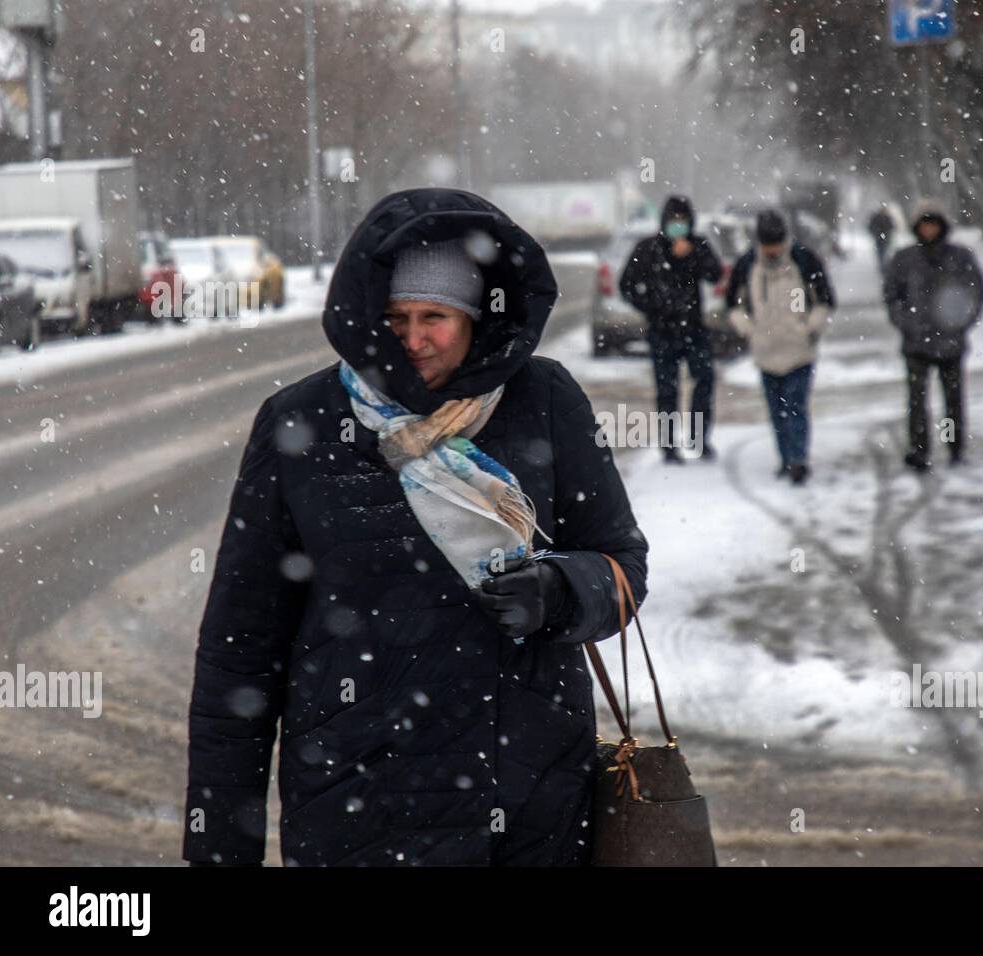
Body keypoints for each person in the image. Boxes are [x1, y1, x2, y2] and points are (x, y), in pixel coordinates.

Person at [183, 188, 649, 866]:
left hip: (527, 805)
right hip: (359, 807)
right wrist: (219, 850)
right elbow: (240, 651)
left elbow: (622, 566)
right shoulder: (302, 425)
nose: (413, 338)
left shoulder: (544, 402)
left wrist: (559, 591)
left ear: (476, 319)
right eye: (396, 317)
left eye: (436, 316)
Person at [726, 209, 835, 484]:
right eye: (767, 244)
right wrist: (749, 330)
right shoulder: (747, 264)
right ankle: (785, 459)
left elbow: (824, 300)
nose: (772, 250)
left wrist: (809, 328)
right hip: (765, 351)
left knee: (796, 406)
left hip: (799, 350)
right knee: (776, 411)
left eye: (776, 243)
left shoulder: (804, 259)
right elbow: (733, 304)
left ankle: (798, 459)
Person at [618, 194, 723, 463]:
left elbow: (715, 274)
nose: (678, 225)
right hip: (662, 331)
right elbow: (626, 285)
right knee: (666, 390)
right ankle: (668, 446)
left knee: (705, 379)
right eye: (674, 220)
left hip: (694, 329)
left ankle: (699, 439)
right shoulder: (648, 249)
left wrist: (694, 255)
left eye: (683, 220)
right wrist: (651, 306)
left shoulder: (698, 244)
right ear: (664, 221)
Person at [884, 203, 983, 471]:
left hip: (950, 343)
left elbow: (976, 292)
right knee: (917, 402)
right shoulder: (904, 259)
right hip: (915, 343)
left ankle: (954, 447)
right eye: (924, 224)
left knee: (953, 401)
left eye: (934, 223)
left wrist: (960, 322)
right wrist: (906, 322)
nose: (929, 229)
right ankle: (919, 450)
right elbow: (892, 295)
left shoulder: (960, 257)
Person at [867, 203, 897, 271]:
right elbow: (871, 226)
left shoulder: (888, 217)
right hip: (879, 238)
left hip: (886, 238)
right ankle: (882, 265)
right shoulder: (877, 217)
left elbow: (892, 226)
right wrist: (876, 232)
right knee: (881, 252)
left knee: (885, 251)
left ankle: (884, 265)